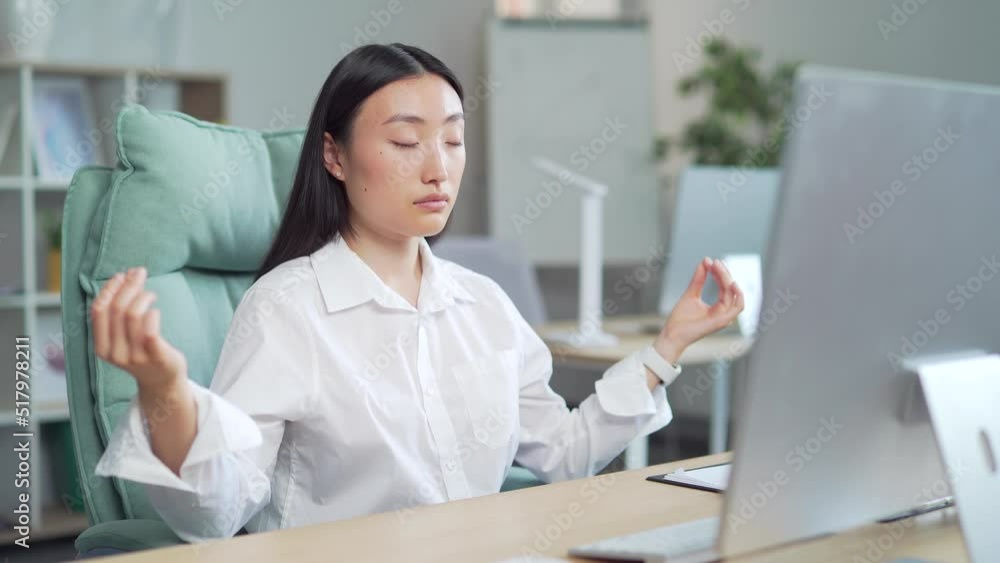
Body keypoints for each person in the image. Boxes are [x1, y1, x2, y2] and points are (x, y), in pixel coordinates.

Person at [91, 43, 744, 543]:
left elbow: (566, 454)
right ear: (335, 156)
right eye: (406, 141)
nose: (438, 168)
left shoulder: (483, 305)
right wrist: (165, 392)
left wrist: (668, 346)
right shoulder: (286, 309)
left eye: (453, 140)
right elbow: (216, 514)